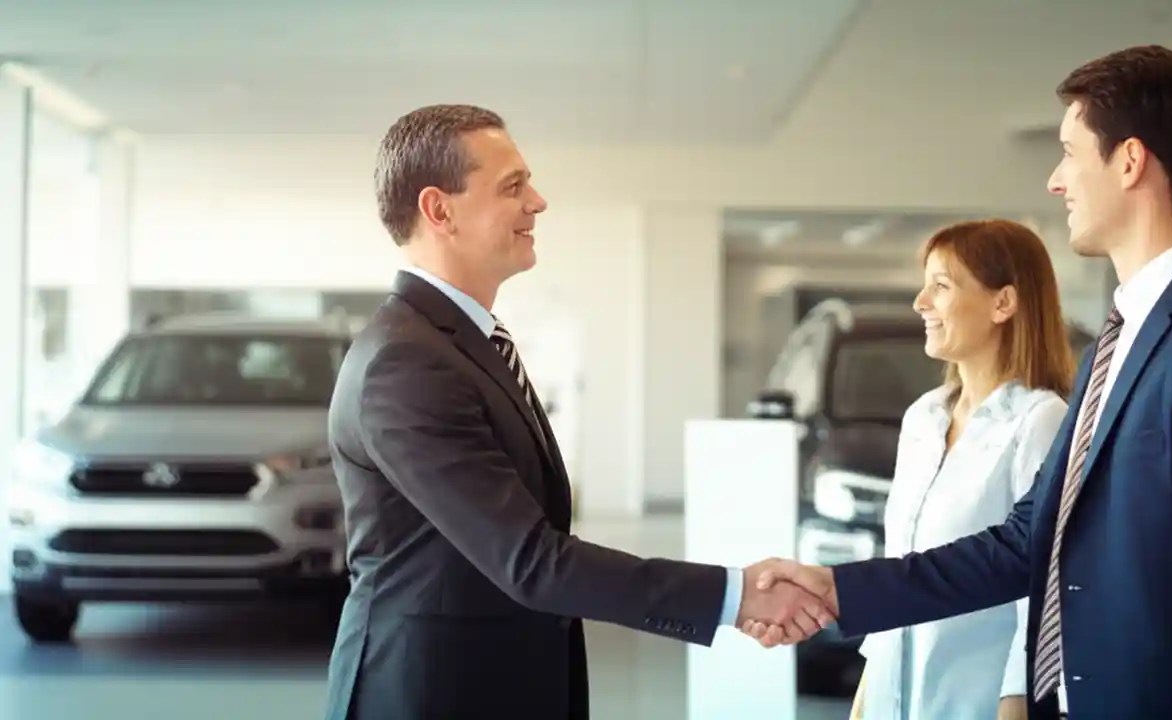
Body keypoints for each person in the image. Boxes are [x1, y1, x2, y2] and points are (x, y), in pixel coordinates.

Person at [744, 45, 1172, 719]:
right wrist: (835, 588)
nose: (1056, 181)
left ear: (1131, 161)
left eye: (1069, 152)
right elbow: (1026, 541)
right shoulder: (1117, 342)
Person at [321, 104, 833, 720]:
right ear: (439, 209)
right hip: (434, 692)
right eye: (512, 186)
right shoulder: (406, 363)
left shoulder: (461, 343)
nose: (537, 202)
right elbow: (531, 560)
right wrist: (735, 594)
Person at [849, 219, 1074, 720]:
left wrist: (1016, 704)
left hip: (974, 705)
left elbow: (1039, 590)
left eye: (941, 286)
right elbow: (898, 573)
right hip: (893, 700)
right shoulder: (923, 417)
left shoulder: (1039, 421)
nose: (920, 302)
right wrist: (864, 703)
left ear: (1003, 303)